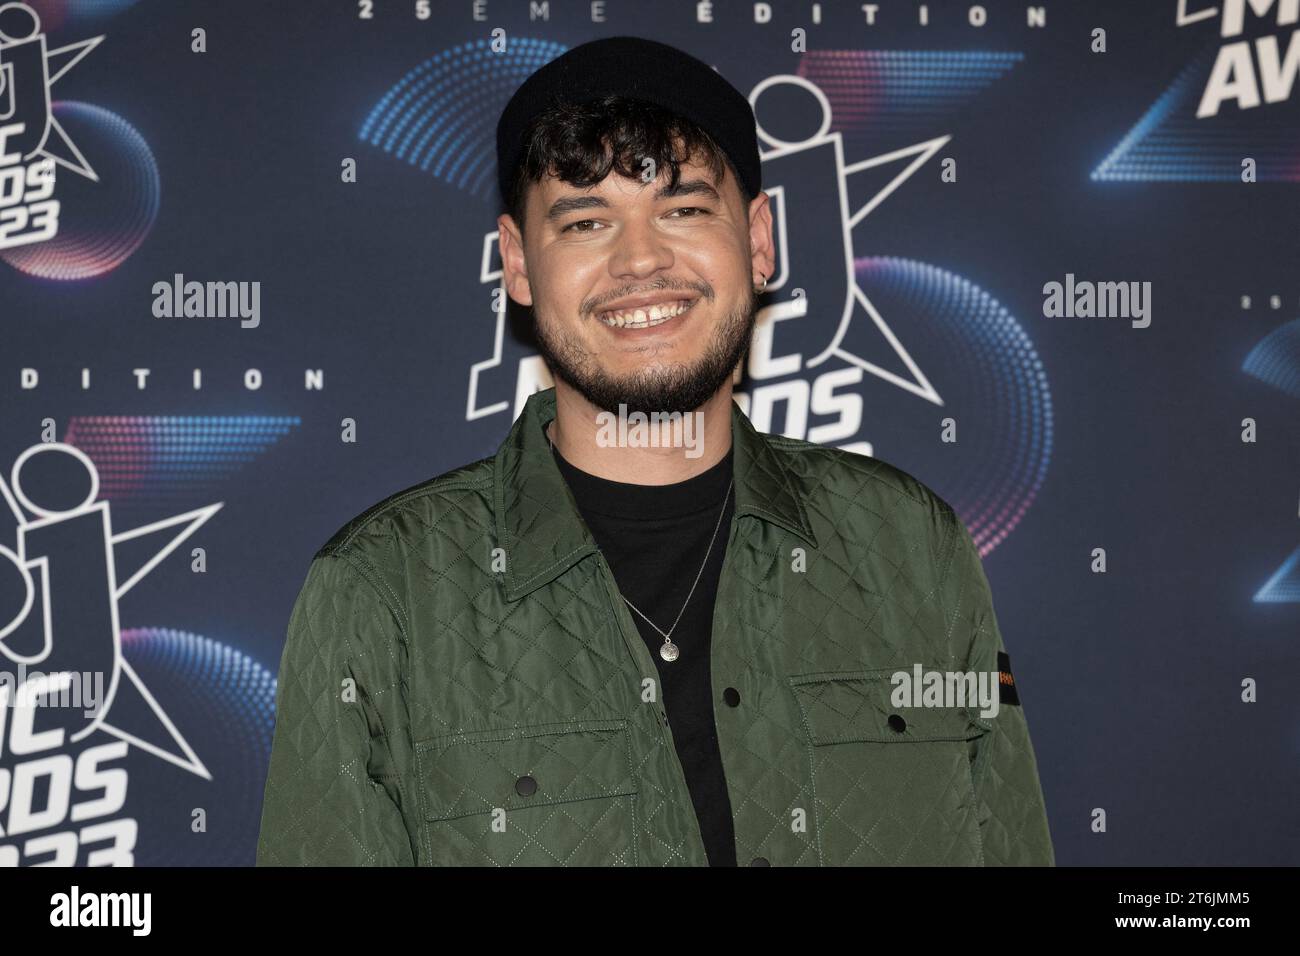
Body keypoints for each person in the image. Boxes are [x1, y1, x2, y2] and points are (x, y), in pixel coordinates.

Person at [255, 35, 1054, 867]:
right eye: (587, 221)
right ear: (519, 266)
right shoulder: (382, 595)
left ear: (759, 238)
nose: (641, 260)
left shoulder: (913, 549)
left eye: (682, 209)